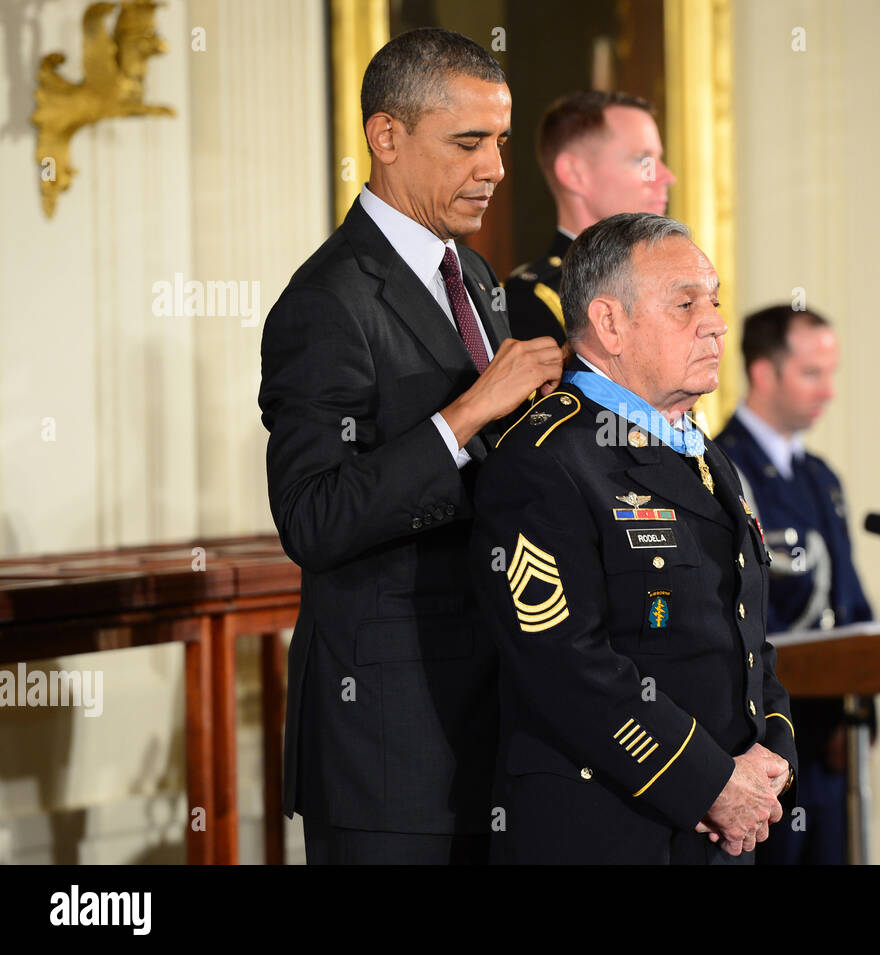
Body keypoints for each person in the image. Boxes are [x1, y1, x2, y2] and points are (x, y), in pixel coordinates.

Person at [258, 28, 563, 864]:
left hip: (492, 725)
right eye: (469, 142)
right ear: (386, 136)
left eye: (500, 141)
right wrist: (466, 415)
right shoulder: (325, 302)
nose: (495, 168)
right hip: (387, 748)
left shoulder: (479, 281)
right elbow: (313, 518)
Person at [470, 213, 796, 864]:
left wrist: (771, 758)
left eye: (715, 301)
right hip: (606, 829)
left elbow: (747, 636)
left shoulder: (703, 452)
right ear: (610, 323)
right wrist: (709, 781)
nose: (716, 322)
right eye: (685, 304)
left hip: (723, 828)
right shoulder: (545, 459)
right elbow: (565, 666)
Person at [717, 305, 874, 865]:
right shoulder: (722, 466)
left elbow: (852, 600)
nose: (828, 391)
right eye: (812, 374)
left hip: (836, 733)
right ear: (764, 373)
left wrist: (862, 716)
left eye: (831, 374)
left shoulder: (820, 477)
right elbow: (745, 613)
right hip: (772, 739)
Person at [504, 91, 675, 345]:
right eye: (642, 160)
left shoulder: (661, 279)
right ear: (575, 173)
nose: (666, 177)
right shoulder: (533, 300)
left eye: (658, 160)